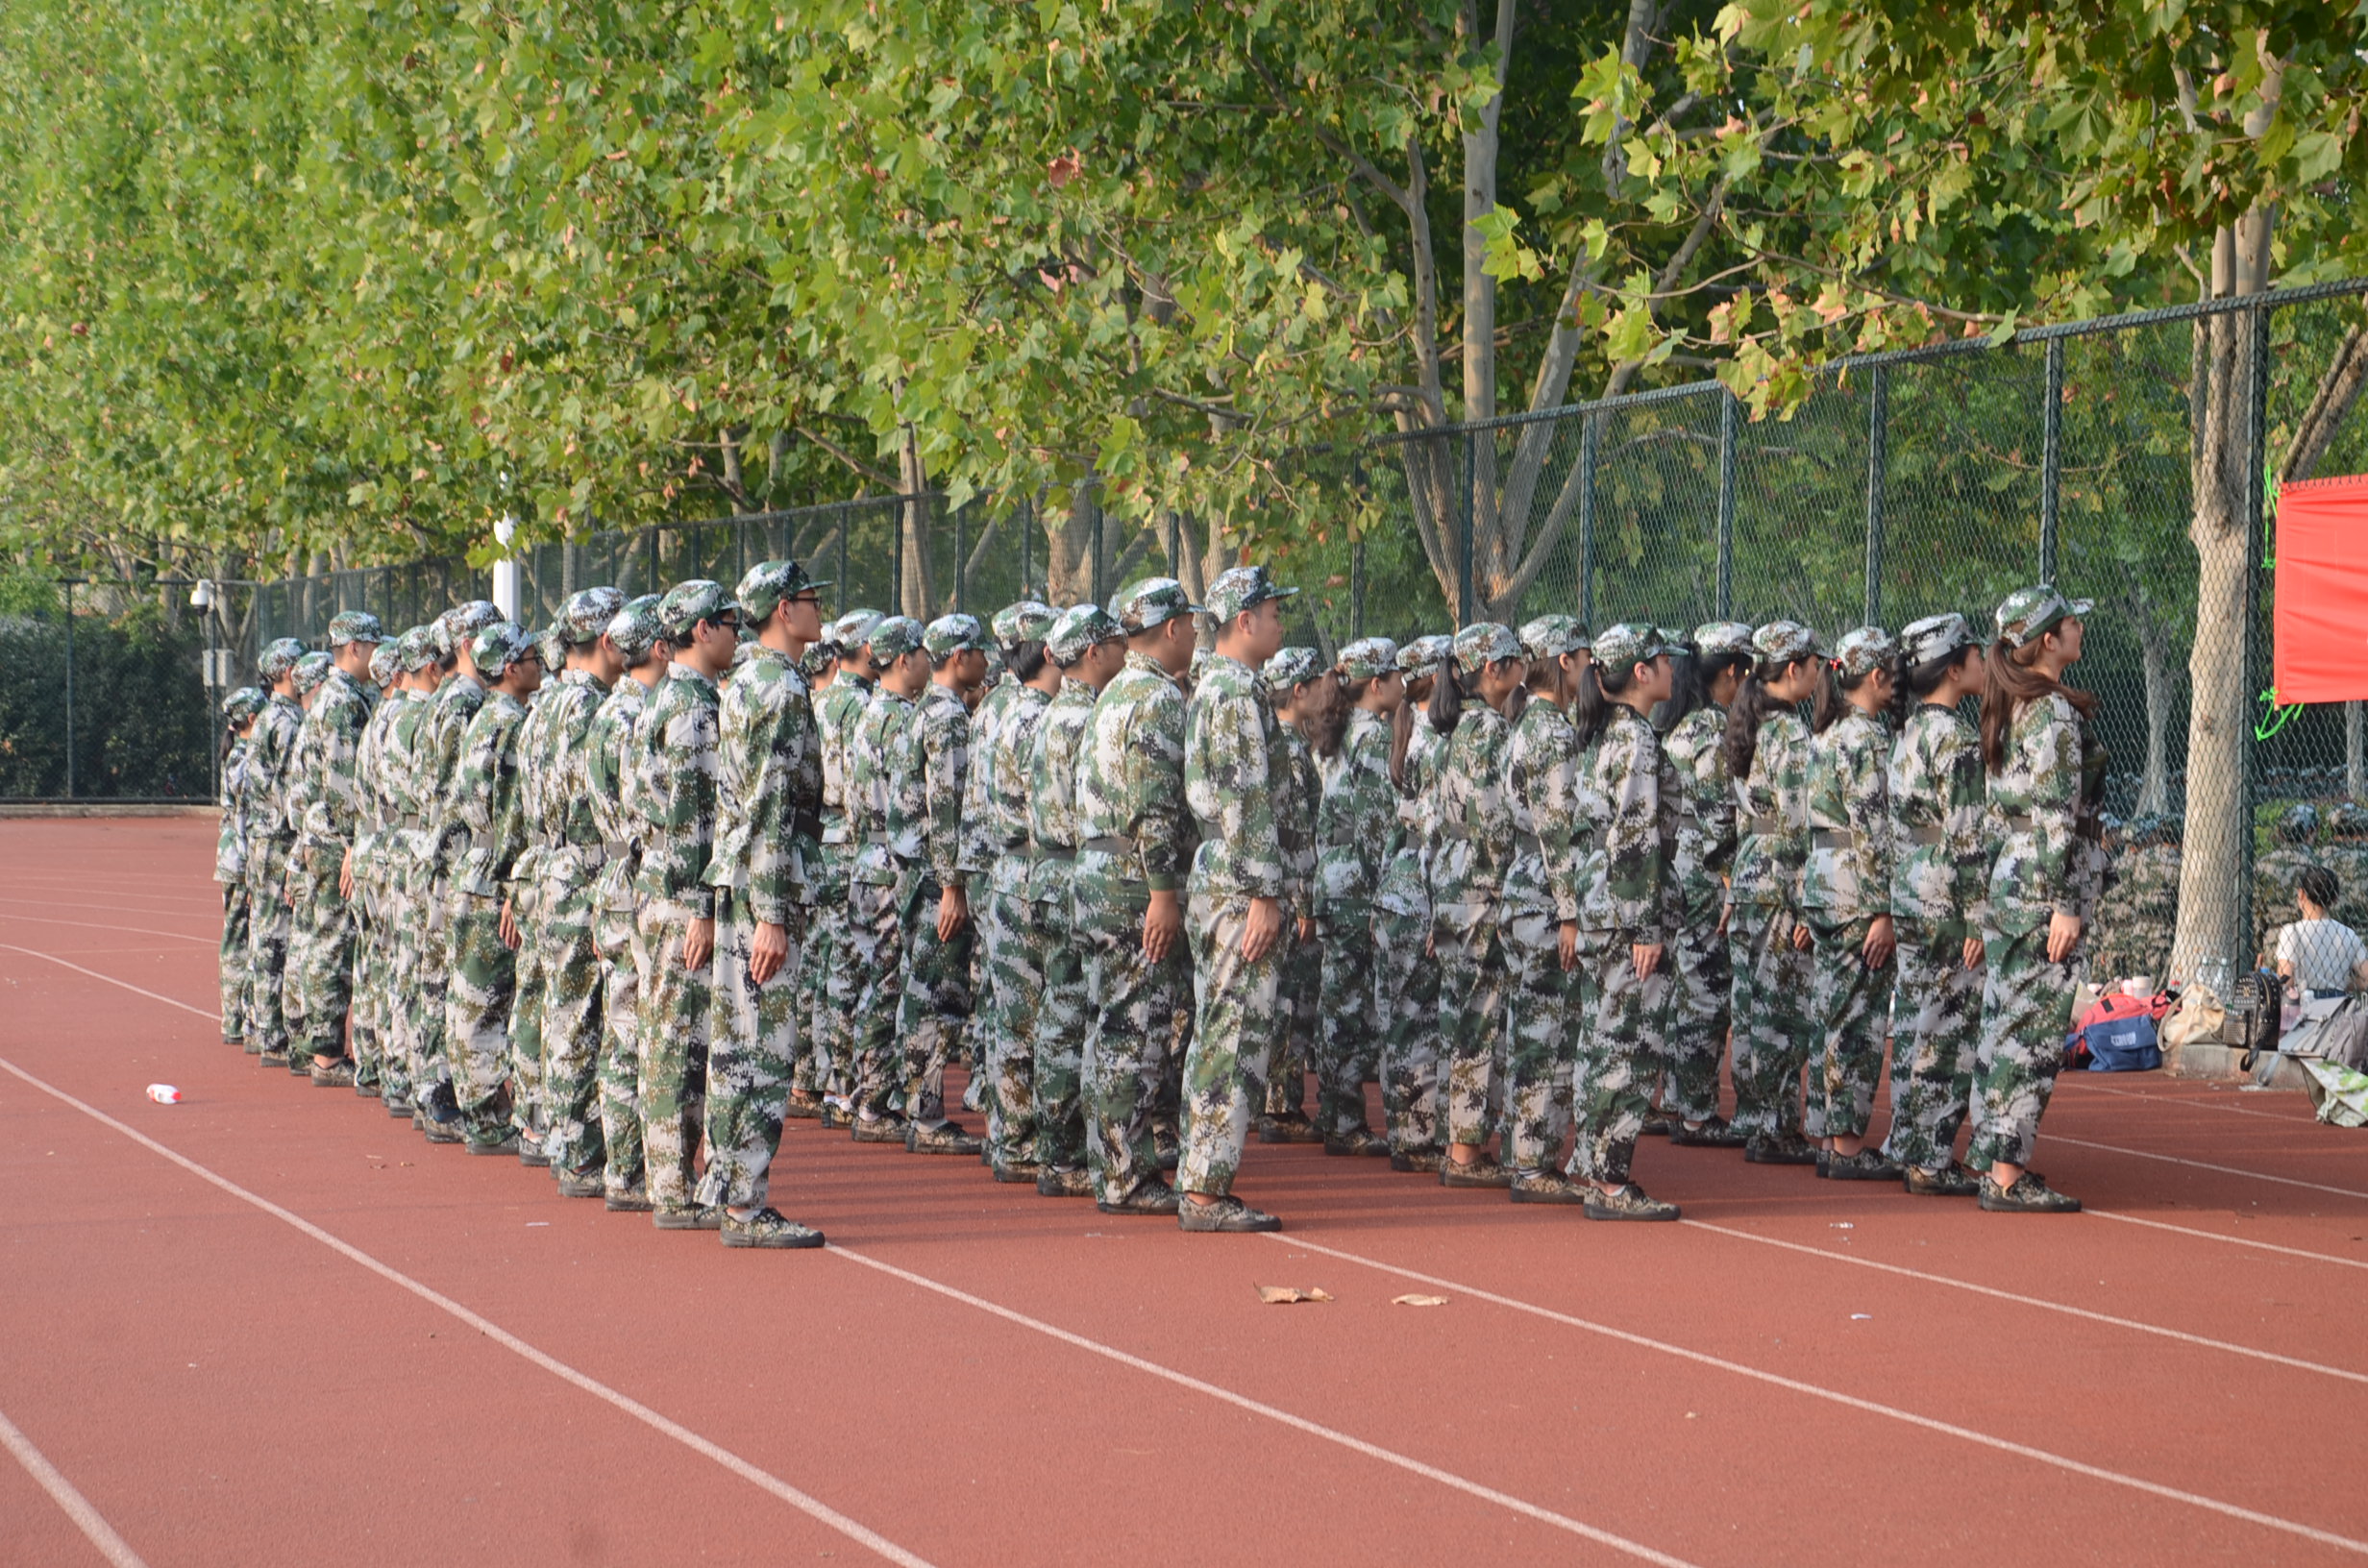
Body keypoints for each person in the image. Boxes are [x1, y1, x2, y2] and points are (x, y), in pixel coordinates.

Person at [699, 560, 828, 1248]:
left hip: (742, 876)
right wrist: (774, 911)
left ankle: (730, 1187)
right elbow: (775, 804)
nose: (818, 611)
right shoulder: (777, 687)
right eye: (810, 600)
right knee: (763, 1047)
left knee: (737, 1041)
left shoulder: (746, 678)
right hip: (765, 881)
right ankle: (744, 1201)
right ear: (784, 608)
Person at [1969, 584, 2107, 1213]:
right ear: (2048, 640)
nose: (2080, 628)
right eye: (2070, 622)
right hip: (2038, 887)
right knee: (2032, 1035)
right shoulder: (2049, 711)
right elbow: (2058, 817)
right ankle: (2004, 1173)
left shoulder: (2014, 705)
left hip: (2011, 880)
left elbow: (2003, 818)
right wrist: (2065, 903)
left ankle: (1994, 1161)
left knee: (2005, 1024)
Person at [1073, 578, 1201, 1216]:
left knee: (1109, 1026)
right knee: (1134, 1029)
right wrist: (1163, 893)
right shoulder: (1156, 698)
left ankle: (1112, 1167)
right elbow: (1154, 808)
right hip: (1130, 880)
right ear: (1172, 628)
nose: (1197, 636)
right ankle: (1125, 1175)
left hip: (1097, 872)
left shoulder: (1113, 691)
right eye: (1192, 625)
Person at [1177, 565, 1297, 1232]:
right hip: (1235, 878)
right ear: (1244, 621)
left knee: (1222, 1026)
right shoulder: (1231, 692)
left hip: (1222, 873)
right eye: (1274, 612)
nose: (1282, 622)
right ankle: (1204, 1190)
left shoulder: (1222, 687)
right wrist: (1264, 893)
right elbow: (1247, 800)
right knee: (1233, 1032)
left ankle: (1203, 1178)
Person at [628, 579, 740, 1227]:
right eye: (728, 621)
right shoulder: (694, 709)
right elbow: (694, 816)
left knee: (664, 1039)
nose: (736, 633)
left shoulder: (663, 696)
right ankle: (671, 1187)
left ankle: (666, 1175)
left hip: (658, 891)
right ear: (702, 629)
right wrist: (701, 905)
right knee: (677, 1044)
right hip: (680, 900)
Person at [1566, 624, 1683, 1220]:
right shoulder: (1635, 739)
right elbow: (1634, 839)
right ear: (1641, 671)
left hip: (1598, 905)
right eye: (1664, 660)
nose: (1672, 669)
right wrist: (1646, 928)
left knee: (1601, 1035)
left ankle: (1591, 1162)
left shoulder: (1603, 733)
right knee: (1629, 1044)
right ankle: (1610, 1181)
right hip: (1624, 910)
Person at [1882, 612, 1990, 1196]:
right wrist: (1978, 914)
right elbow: (1969, 835)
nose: (1982, 661)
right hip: (1948, 891)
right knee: (1949, 1026)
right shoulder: (1956, 738)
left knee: (1918, 1016)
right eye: (1974, 653)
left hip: (1911, 885)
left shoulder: (1906, 733)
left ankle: (1907, 1140)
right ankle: (1928, 1154)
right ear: (1953, 667)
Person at [1024, 602, 1127, 1196]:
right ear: (1093, 653)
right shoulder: (1085, 717)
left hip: (1047, 874)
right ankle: (1068, 1154)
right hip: (1072, 876)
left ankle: (1056, 1152)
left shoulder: (1051, 713)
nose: (1122, 650)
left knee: (1059, 1016)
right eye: (1114, 642)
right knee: (1076, 1017)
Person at [527, 587, 627, 1197]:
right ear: (608, 641)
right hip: (587, 867)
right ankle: (582, 1150)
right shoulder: (593, 709)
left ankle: (567, 1139)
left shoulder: (545, 705)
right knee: (586, 1016)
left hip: (552, 864)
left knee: (562, 1011)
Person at [1723, 621, 1825, 1166]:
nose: (1818, 673)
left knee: (1754, 998)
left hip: (1750, 873)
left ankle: (1762, 1117)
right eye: (1813, 665)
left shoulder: (1750, 722)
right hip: (1778, 879)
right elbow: (1794, 827)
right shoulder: (1788, 735)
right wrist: (1803, 901)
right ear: (1793, 669)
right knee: (1781, 1006)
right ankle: (1771, 1125)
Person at [1800, 626, 1900, 1180]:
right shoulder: (1864, 738)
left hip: (1824, 881)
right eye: (1891, 675)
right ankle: (1844, 1142)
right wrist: (1882, 908)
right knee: (1855, 1018)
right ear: (1877, 676)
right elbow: (1871, 828)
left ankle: (1828, 1131)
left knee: (1831, 1011)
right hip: (1854, 891)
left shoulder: (1827, 732)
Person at [968, 601, 1062, 1181]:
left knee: (1010, 1015)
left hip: (1004, 870)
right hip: (1031, 870)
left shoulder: (996, 710)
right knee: (1031, 1016)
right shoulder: (1038, 717)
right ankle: (1021, 1139)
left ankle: (1009, 1135)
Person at [1432, 621, 1528, 1188]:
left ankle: (1461, 1142)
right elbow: (1494, 820)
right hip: (1480, 885)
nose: (1521, 672)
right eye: (1515, 662)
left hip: (1453, 879)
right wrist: (1504, 881)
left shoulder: (1459, 728)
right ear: (1492, 670)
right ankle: (1464, 1150)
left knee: (1461, 1009)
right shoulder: (1491, 729)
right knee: (1479, 1012)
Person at [443, 622, 545, 1155]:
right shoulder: (510, 723)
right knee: (487, 1002)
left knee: (472, 999)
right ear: (510, 667)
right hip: (491, 875)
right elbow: (511, 814)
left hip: (472, 868)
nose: (539, 663)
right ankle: (486, 1118)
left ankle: (483, 1111)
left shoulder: (485, 717)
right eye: (531, 656)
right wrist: (512, 884)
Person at [892, 613, 990, 1155]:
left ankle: (920, 1109)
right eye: (979, 651)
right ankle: (926, 1116)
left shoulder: (927, 707)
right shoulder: (948, 715)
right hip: (936, 876)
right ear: (960, 656)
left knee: (923, 989)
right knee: (936, 994)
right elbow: (946, 804)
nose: (986, 660)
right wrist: (953, 885)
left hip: (921, 870)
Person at [1499, 615, 1590, 1203]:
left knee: (1532, 1023)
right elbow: (1559, 831)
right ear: (1563, 661)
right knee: (1545, 1029)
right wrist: (1572, 913)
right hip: (1544, 889)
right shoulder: (1552, 733)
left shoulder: (1524, 724)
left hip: (1523, 881)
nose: (1590, 669)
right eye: (1584, 657)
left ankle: (1529, 1155)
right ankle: (1532, 1162)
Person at [1656, 621, 1754, 1146]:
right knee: (1707, 990)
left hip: (1678, 859)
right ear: (1734, 673)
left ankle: (1677, 1098)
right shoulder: (1710, 727)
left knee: (1684, 985)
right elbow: (1720, 812)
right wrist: (1729, 872)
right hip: (1704, 865)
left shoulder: (1676, 724)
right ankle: (1695, 1110)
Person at [586, 595, 669, 1211]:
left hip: (612, 874)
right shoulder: (637, 716)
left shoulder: (607, 712)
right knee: (639, 1031)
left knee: (621, 1030)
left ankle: (623, 1166)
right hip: (636, 876)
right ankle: (634, 1168)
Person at [415, 600, 506, 1139]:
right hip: (457, 857)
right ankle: (445, 1094)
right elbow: (459, 795)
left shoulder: (446, 700)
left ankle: (438, 1089)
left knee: (444, 982)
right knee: (460, 987)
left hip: (445, 856)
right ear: (471, 645)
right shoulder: (464, 704)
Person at [1311, 636, 1401, 1157]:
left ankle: (1337, 1113)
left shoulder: (1341, 731)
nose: (1401, 684)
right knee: (1349, 1007)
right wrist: (1380, 892)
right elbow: (1374, 827)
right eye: (1393, 675)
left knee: (1337, 1001)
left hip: (1334, 877)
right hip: (1355, 884)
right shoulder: (1370, 738)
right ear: (1376, 684)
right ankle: (1344, 1121)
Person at [844, 615, 931, 1143]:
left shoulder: (866, 712)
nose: (928, 661)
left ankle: (870, 1093)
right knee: (889, 981)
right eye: (922, 653)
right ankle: (874, 1100)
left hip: (866, 856)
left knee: (875, 979)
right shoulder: (900, 720)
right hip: (891, 864)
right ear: (905, 660)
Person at [1375, 635, 1452, 1170]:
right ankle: (1418, 1136)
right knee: (1421, 1020)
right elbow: (1437, 835)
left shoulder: (1405, 730)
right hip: (1421, 887)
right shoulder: (1437, 739)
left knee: (1400, 1019)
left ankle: (1407, 1132)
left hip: (1396, 887)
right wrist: (1440, 908)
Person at [810, 609, 884, 1125]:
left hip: (821, 838)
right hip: (850, 840)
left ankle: (823, 1076)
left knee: (826, 962)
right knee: (852, 966)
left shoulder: (819, 701)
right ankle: (842, 1083)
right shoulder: (861, 706)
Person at [1255, 645, 1328, 1147]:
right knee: (1288, 1000)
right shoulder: (1290, 749)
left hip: (1274, 887)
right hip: (1285, 889)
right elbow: (1298, 831)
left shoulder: (1276, 739)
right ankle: (1280, 1105)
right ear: (1297, 691)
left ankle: (1277, 1098)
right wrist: (1305, 905)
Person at [241, 637, 308, 1070]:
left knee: (264, 932)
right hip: (278, 838)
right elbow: (288, 788)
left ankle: (258, 1023)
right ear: (286, 671)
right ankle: (271, 1031)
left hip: (264, 838)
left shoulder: (270, 717)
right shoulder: (284, 721)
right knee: (275, 937)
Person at [214, 688, 266, 1053]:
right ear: (251, 720)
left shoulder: (233, 754)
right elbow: (246, 818)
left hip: (228, 854)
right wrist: (252, 868)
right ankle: (238, 1017)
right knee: (241, 939)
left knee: (235, 937)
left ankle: (232, 1016)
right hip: (241, 856)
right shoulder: (246, 760)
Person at [2277, 865, 2368, 1001]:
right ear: (2335, 898)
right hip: (2338, 1008)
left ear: (2301, 894)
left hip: (2305, 1009)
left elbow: (2286, 980)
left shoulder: (2292, 932)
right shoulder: (2348, 934)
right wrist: (2347, 984)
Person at [2254, 804, 2328, 969]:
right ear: (2311, 831)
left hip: (2274, 940)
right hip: (2310, 940)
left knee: (2274, 992)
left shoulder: (2264, 864)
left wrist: (2258, 948)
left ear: (2280, 832)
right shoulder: (2318, 865)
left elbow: (2257, 914)